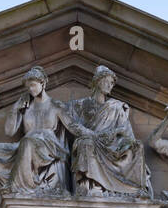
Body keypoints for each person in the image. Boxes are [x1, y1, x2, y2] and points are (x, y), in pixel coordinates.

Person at [60, 65, 150, 198]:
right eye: (106, 81)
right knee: (86, 142)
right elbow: (69, 123)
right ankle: (91, 185)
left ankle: (132, 189)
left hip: (112, 144)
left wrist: (114, 133)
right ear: (97, 81)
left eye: (112, 83)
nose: (110, 85)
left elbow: (126, 132)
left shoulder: (116, 106)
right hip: (90, 141)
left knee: (136, 146)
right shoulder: (79, 105)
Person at [0, 66, 69, 196]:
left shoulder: (56, 105)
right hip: (24, 147)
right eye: (28, 87)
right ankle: (21, 179)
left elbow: (74, 127)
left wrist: (93, 136)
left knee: (27, 142)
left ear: (43, 83)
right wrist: (15, 109)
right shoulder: (26, 107)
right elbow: (9, 132)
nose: (31, 90)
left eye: (33, 85)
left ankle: (17, 186)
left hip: (48, 146)